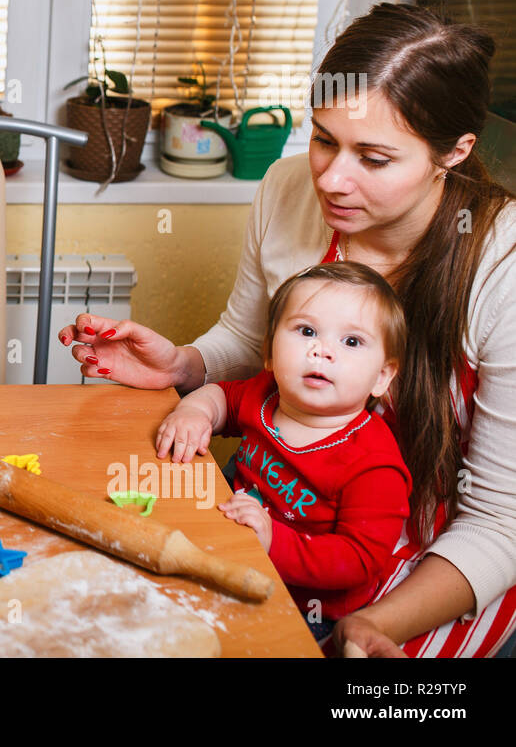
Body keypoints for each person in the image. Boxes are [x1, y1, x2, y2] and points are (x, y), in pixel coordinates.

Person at [61, 3, 516, 657]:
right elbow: (251, 353)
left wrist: (378, 623)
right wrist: (184, 367)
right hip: (284, 520)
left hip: (442, 561)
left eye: (375, 158)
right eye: (324, 138)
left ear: (454, 152)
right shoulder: (285, 189)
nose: (331, 177)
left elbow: (501, 522)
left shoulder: (502, 266)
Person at [155, 262, 410, 641]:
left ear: (381, 377)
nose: (321, 351)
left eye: (351, 342)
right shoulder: (266, 394)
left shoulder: (373, 464)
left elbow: (360, 560)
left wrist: (273, 540)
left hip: (307, 606)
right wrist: (195, 411)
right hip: (231, 550)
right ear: (270, 354)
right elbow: (222, 397)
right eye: (306, 331)